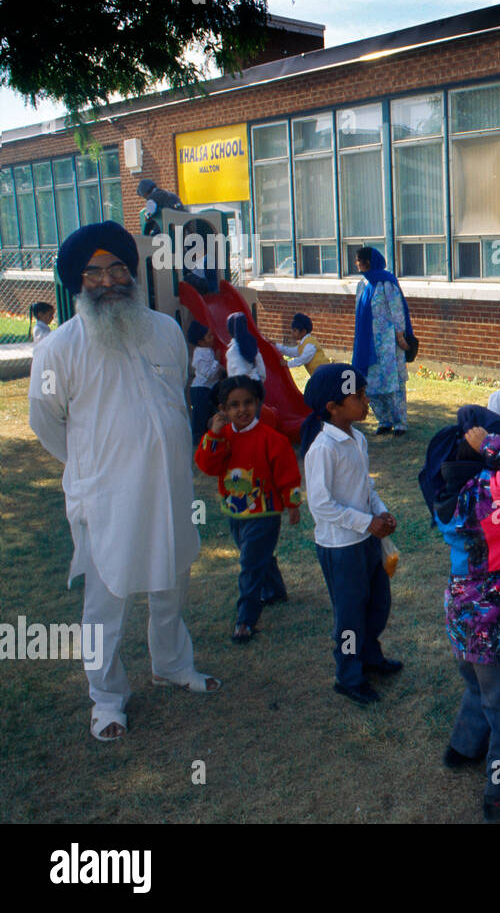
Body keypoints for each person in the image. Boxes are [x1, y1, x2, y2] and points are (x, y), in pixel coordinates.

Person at [28, 222, 220, 742]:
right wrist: (94, 466)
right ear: (76, 283)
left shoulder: (163, 328)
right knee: (105, 600)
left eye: (117, 268)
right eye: (94, 272)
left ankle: (172, 664)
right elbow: (46, 421)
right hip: (104, 496)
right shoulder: (59, 350)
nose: (108, 280)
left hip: (169, 488)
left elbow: (176, 392)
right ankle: (106, 699)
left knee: (171, 580)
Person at [421, 405, 500, 823]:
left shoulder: (446, 496)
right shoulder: (492, 492)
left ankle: (463, 748)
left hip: (463, 617)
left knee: (478, 686)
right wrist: (489, 441)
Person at [300, 363, 401, 705]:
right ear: (333, 407)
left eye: (364, 393)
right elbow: (321, 506)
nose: (366, 401)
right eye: (358, 396)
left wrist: (380, 512)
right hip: (340, 547)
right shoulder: (323, 449)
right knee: (350, 614)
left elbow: (366, 486)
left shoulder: (357, 439)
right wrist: (365, 523)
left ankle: (369, 656)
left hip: (365, 542)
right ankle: (348, 675)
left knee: (377, 604)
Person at [194, 375, 302, 642]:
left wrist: (293, 504)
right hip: (235, 511)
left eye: (247, 403)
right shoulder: (222, 437)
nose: (241, 410)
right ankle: (275, 590)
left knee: (249, 563)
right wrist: (214, 435)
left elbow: (288, 474)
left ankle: (245, 620)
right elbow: (208, 466)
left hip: (264, 513)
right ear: (223, 409)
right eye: (233, 405)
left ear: (257, 404)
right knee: (254, 554)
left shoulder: (272, 439)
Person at [352, 247, 413, 437]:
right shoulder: (363, 285)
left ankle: (400, 422)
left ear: (368, 262)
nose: (356, 264)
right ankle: (384, 421)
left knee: (392, 383)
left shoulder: (386, 283)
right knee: (371, 384)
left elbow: (397, 310)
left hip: (388, 344)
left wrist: (400, 336)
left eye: (358, 260)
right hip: (367, 344)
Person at [187, 320, 222, 446]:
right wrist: (217, 362)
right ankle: (197, 443)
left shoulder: (208, 350)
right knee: (200, 418)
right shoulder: (199, 354)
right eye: (209, 336)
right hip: (200, 390)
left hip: (208, 388)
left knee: (209, 415)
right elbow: (208, 374)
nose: (212, 338)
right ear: (201, 341)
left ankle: (208, 441)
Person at [225, 311, 266, 382]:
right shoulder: (252, 344)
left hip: (240, 387)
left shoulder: (232, 351)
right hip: (256, 382)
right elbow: (261, 371)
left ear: (229, 332)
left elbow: (239, 372)